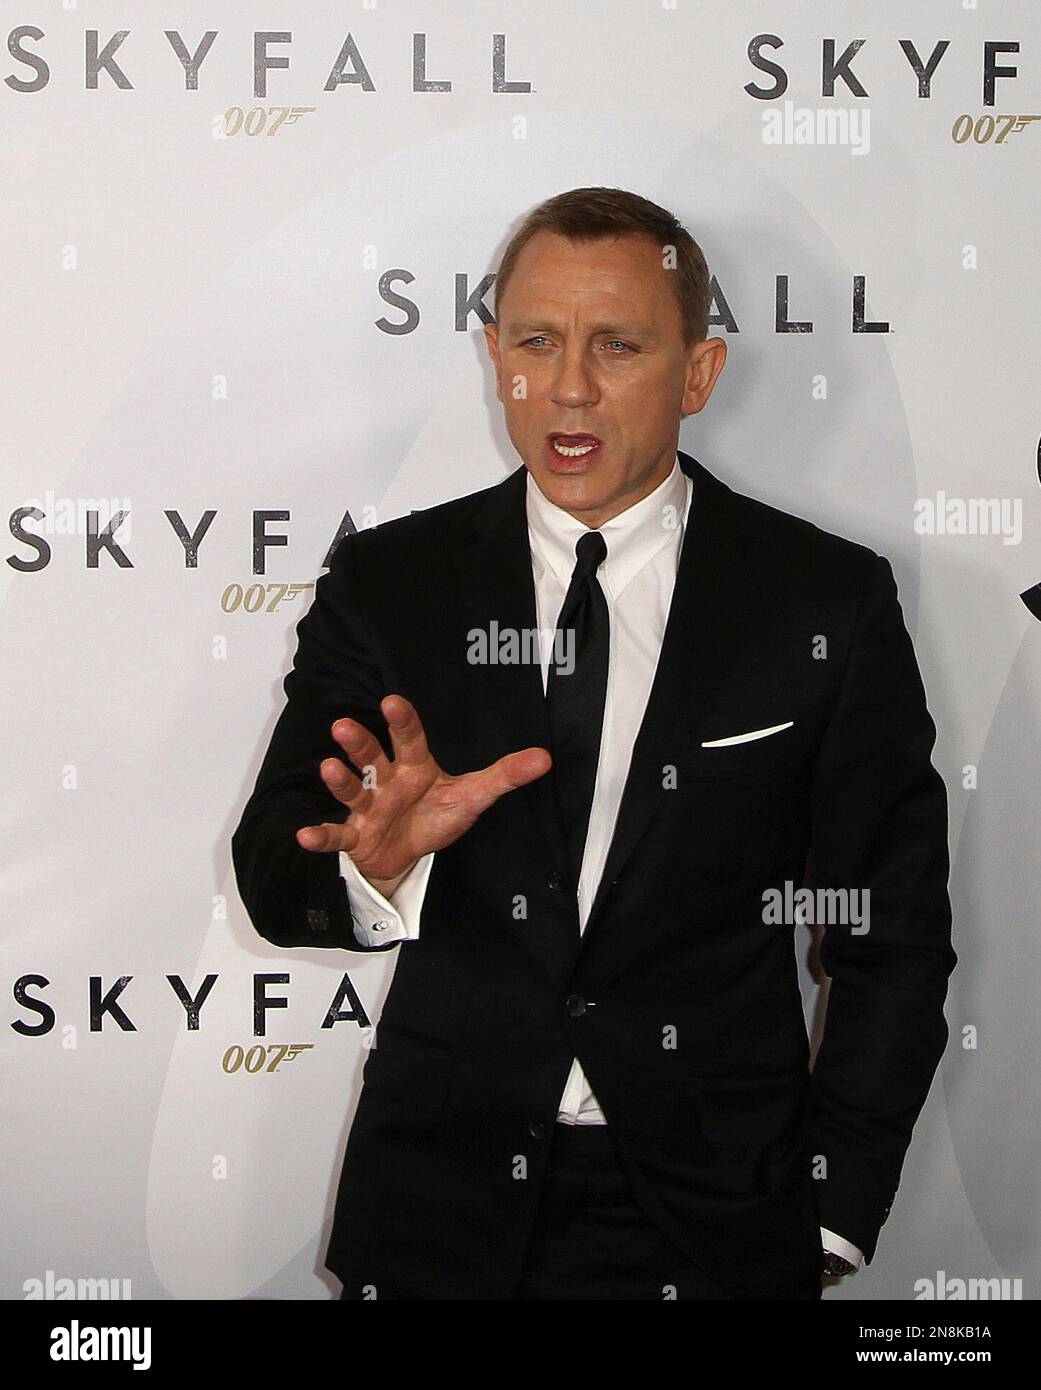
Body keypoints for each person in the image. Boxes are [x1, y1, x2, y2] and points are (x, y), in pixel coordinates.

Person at [231, 186, 956, 1300]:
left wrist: (836, 1207)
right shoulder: (394, 585)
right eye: (536, 341)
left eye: (616, 345)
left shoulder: (825, 599)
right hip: (440, 1207)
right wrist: (374, 867)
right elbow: (280, 873)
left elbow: (889, 938)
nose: (567, 385)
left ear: (699, 373)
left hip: (718, 1218)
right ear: (494, 355)